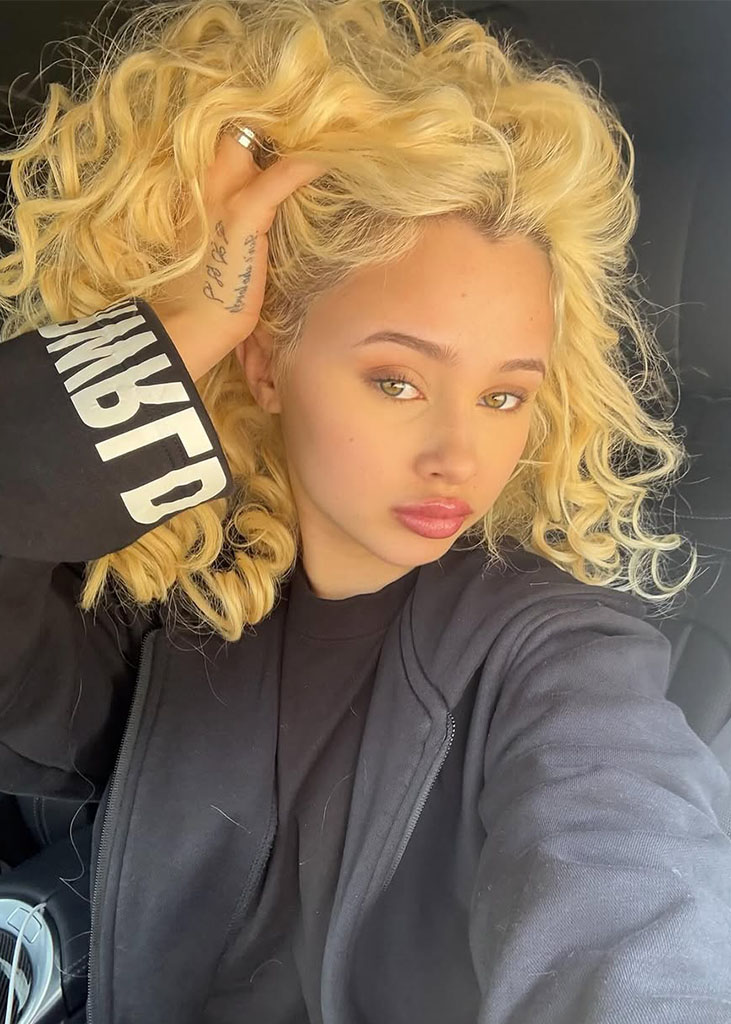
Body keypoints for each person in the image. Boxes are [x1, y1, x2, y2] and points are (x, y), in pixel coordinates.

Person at [0, 1, 730, 1022]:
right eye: (396, 380)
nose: (457, 456)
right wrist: (177, 331)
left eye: (503, 395)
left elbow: (633, 897)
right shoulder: (177, 612)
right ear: (264, 365)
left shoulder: (552, 653)